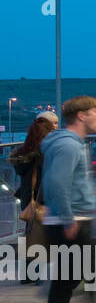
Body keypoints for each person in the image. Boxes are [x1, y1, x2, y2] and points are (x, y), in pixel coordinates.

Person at [38, 96, 96, 303]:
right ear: (81, 116)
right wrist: (67, 219)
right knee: (84, 273)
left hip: (74, 217)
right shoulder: (69, 145)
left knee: (75, 274)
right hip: (70, 219)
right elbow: (56, 182)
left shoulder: (74, 143)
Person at [10, 116, 56, 284]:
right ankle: (37, 273)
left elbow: (23, 173)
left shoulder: (23, 152)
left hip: (27, 198)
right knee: (42, 236)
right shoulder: (45, 152)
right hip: (41, 198)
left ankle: (28, 274)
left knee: (30, 234)